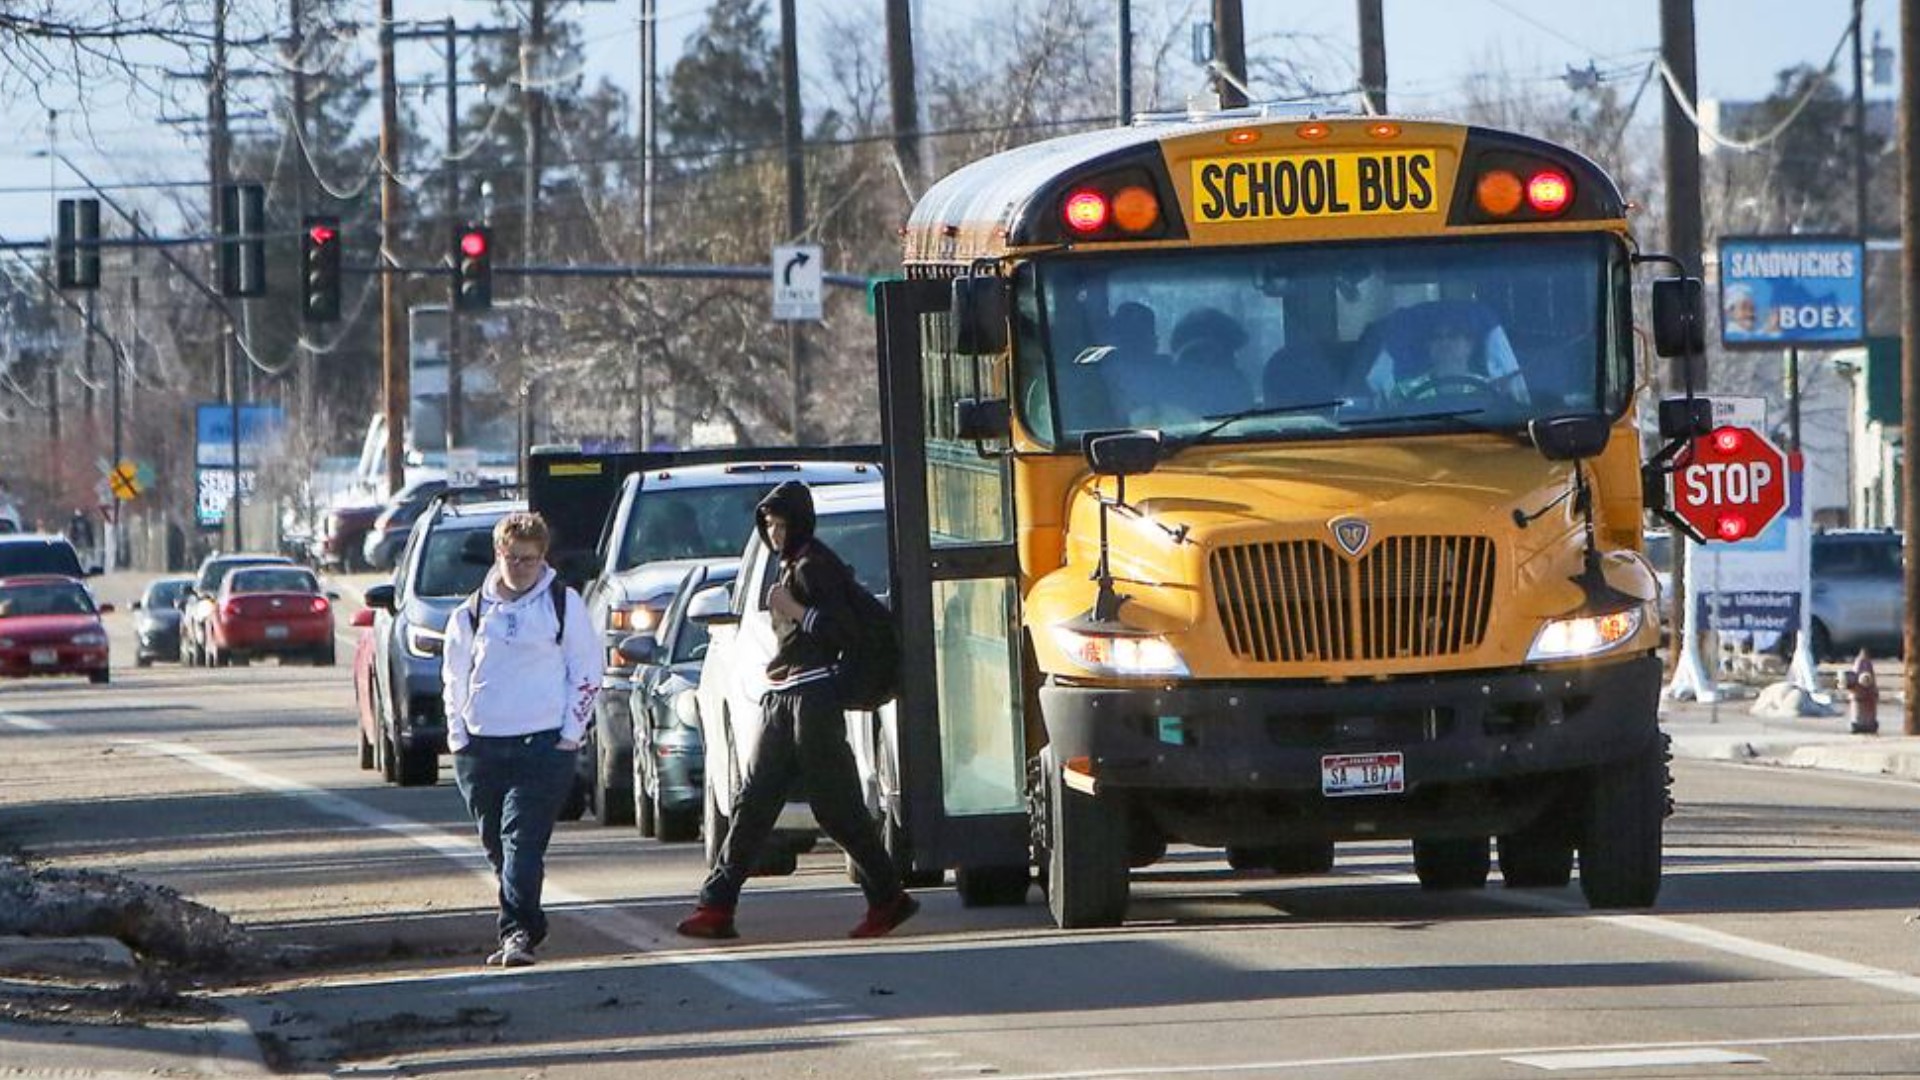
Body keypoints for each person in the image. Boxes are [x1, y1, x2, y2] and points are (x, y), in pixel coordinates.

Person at [676, 481, 919, 941]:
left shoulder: (813, 567)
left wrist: (793, 608)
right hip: (783, 698)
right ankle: (716, 906)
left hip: (812, 701)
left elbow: (841, 632)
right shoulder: (794, 564)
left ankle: (888, 897)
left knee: (836, 807)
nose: (774, 534)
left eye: (782, 525)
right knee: (753, 803)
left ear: (800, 524)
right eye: (768, 525)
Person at [442, 510, 603, 968]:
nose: (519, 567)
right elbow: (454, 677)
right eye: (512, 557)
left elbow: (586, 670)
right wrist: (458, 736)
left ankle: (516, 933)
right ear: (498, 554)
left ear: (543, 557)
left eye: (528, 559)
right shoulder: (471, 613)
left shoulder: (563, 604)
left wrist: (570, 733)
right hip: (481, 748)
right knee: (497, 845)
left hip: (543, 747)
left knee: (521, 840)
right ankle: (529, 919)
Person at [1361, 300, 1531, 406]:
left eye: (1454, 336)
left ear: (1470, 345)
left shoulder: (1493, 389)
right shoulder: (1403, 391)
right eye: (1437, 337)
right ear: (1428, 347)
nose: (1445, 342)